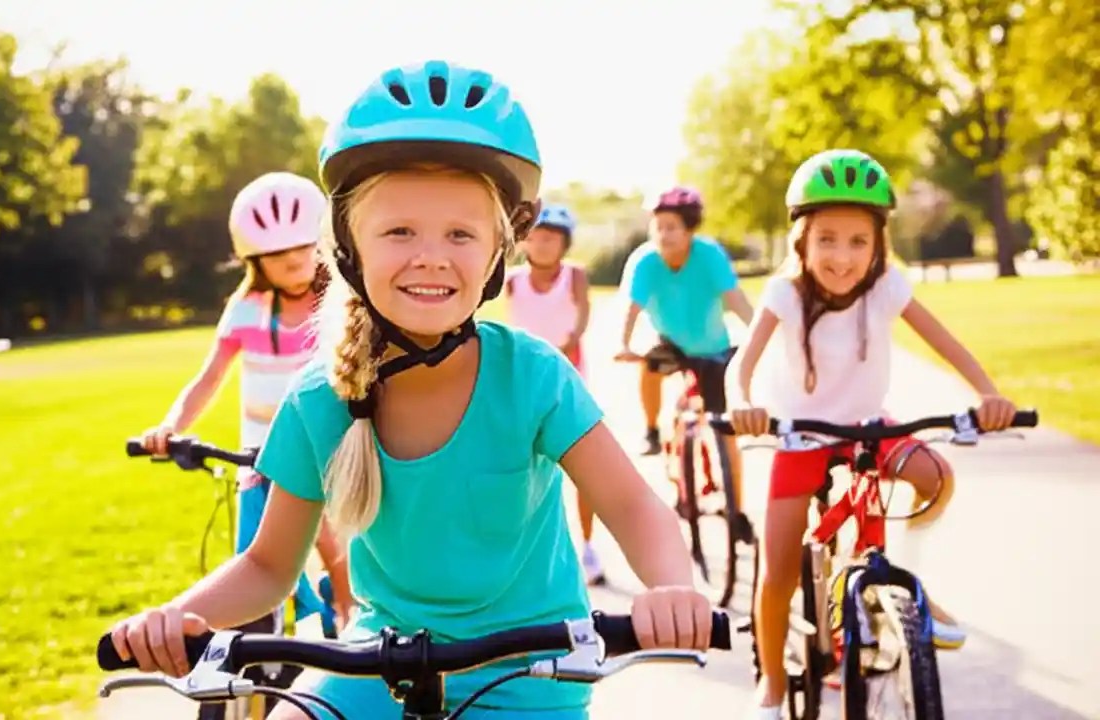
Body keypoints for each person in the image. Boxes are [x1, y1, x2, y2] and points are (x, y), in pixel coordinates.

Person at [108, 59, 713, 719]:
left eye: (461, 233)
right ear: (348, 248)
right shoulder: (319, 399)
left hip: (531, 677)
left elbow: (629, 503)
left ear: (495, 254)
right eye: (399, 231)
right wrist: (173, 619)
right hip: (377, 665)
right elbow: (269, 566)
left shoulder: (533, 376)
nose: (431, 255)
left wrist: (672, 589)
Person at [725, 148, 1017, 717]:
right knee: (778, 566)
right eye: (827, 239)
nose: (842, 256)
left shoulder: (886, 285)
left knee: (936, 477)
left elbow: (946, 342)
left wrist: (986, 392)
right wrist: (742, 403)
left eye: (859, 241)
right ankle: (772, 687)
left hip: (866, 429)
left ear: (878, 244)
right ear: (802, 241)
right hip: (801, 436)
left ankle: (911, 589)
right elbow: (744, 363)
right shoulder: (785, 292)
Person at [136, 171, 352, 636]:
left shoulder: (339, 306)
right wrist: (170, 425)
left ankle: (347, 611)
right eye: (277, 253)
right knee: (250, 564)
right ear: (255, 259)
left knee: (341, 560)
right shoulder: (246, 309)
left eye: (302, 247)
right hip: (259, 460)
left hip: (329, 454)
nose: (293, 260)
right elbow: (210, 376)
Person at [614, 186, 754, 517]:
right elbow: (631, 309)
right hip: (671, 345)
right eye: (658, 226)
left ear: (690, 229)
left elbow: (736, 300)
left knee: (725, 428)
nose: (663, 234)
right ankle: (650, 429)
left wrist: (757, 335)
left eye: (672, 226)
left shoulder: (710, 255)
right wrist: (624, 343)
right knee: (649, 364)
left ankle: (737, 509)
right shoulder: (645, 261)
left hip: (714, 349)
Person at [504, 203, 604, 584]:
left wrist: (568, 341)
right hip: (523, 381)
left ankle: (589, 545)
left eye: (552, 238)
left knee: (582, 466)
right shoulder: (513, 279)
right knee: (523, 466)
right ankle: (523, 552)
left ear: (564, 243)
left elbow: (581, 315)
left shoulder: (574, 275)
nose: (543, 244)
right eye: (535, 236)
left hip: (568, 377)